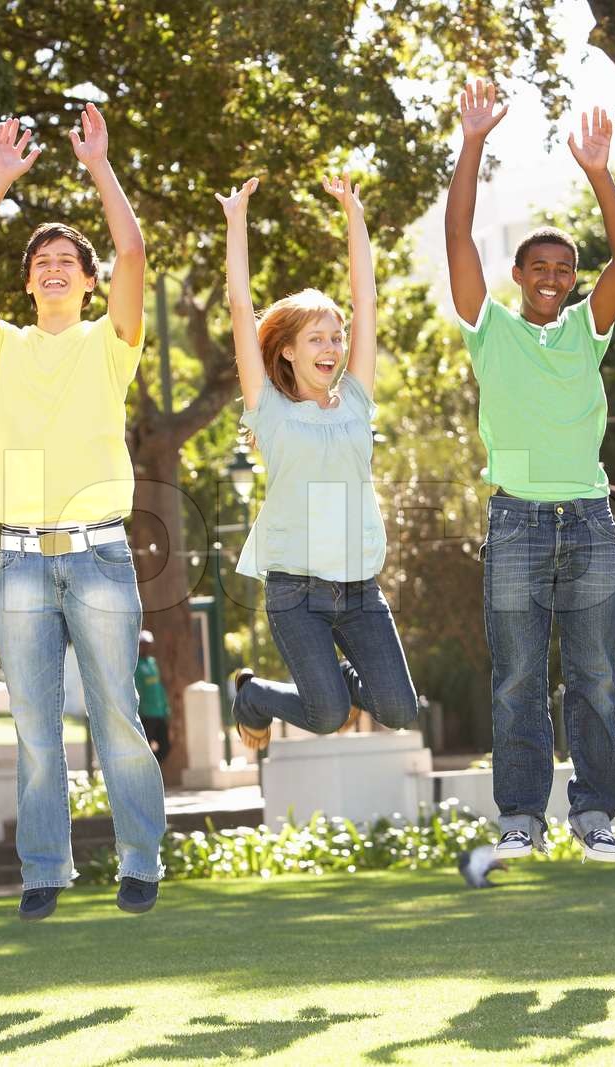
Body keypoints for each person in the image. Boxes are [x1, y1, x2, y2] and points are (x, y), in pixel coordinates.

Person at [0, 109, 165, 920]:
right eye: (42, 261)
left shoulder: (113, 342)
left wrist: (100, 167)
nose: (55, 267)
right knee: (37, 728)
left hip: (101, 554)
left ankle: (141, 858)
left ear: (90, 279)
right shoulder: (5, 348)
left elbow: (135, 253)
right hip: (23, 561)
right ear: (29, 281)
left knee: (116, 718)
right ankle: (45, 870)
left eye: (69, 259)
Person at [443, 80, 615, 863]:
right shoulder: (488, 329)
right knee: (517, 676)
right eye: (540, 265)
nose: (554, 275)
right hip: (516, 516)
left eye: (565, 266)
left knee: (593, 676)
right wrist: (473, 143)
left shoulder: (588, 330)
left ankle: (596, 812)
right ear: (520, 274)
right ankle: (521, 814)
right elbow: (458, 236)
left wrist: (597, 170)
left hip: (589, 519)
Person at [217, 174, 419, 748]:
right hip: (296, 591)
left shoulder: (356, 397)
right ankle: (254, 695)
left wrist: (353, 212)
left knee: (399, 709)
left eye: (336, 337)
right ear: (286, 349)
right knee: (328, 716)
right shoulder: (269, 410)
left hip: (358, 587)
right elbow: (239, 303)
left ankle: (327, 683)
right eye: (315, 339)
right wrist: (237, 221)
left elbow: (367, 297)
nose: (331, 348)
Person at [135, 631, 171, 763]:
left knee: (165, 747)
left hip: (159, 712)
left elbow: (159, 686)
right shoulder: (135, 664)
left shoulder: (152, 662)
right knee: (145, 746)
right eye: (143, 644)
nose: (146, 647)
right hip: (145, 714)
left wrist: (166, 707)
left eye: (148, 644)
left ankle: (151, 766)